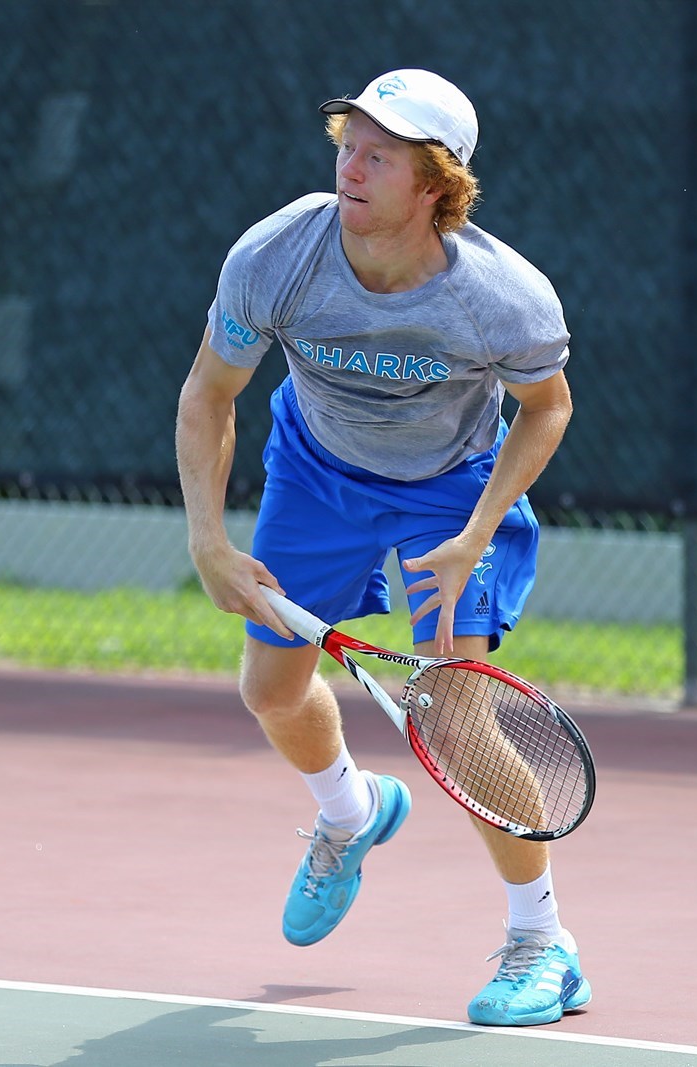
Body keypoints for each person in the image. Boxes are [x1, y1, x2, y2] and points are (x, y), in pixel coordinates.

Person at [175, 68, 587, 1027]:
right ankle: (351, 814)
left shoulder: (501, 296)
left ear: (434, 183)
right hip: (317, 473)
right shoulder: (280, 254)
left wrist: (475, 532)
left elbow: (548, 407)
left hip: (448, 494)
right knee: (270, 689)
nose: (350, 168)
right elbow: (208, 394)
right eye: (347, 145)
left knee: (456, 719)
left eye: (379, 156)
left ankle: (544, 943)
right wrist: (207, 538)